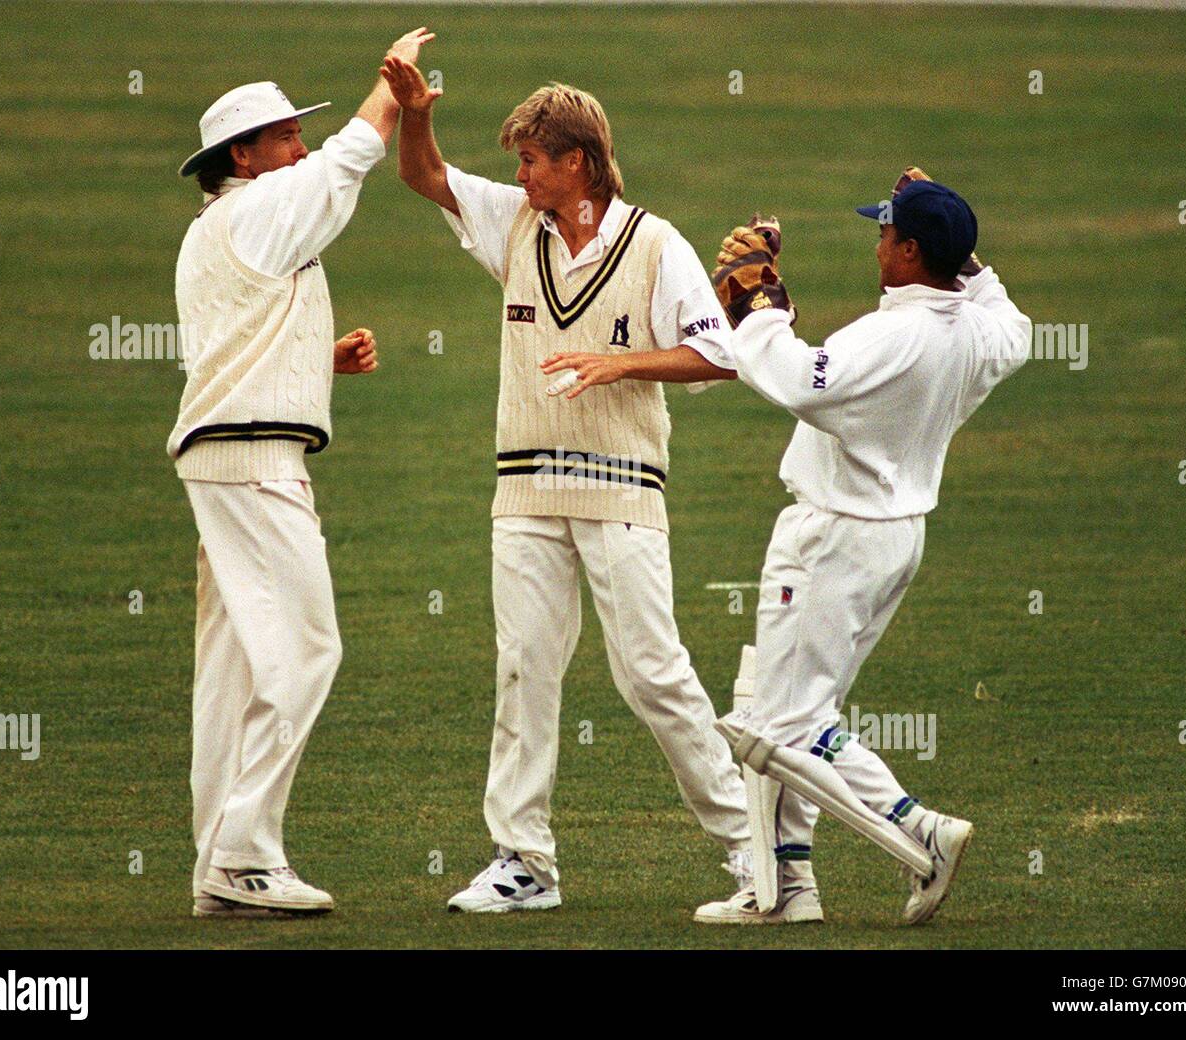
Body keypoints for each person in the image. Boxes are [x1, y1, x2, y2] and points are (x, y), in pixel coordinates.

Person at [380, 56, 756, 914]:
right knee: (524, 668)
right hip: (524, 491)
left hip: (622, 491)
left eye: (531, 160)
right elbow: (423, 173)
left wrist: (615, 364)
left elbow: (716, 358)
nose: (518, 175)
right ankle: (523, 861)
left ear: (578, 162)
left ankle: (750, 848)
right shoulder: (516, 223)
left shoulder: (658, 245)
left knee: (653, 674)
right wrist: (414, 114)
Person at [693, 172, 1032, 924]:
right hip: (896, 537)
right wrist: (962, 248)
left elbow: (793, 381)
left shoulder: (891, 335)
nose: (876, 242)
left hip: (833, 538)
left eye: (886, 233)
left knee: (779, 729)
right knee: (803, 714)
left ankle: (921, 831)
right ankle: (789, 889)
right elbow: (1015, 322)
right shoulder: (982, 332)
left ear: (911, 252)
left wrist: (756, 301)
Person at [169, 28, 435, 919]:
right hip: (252, 462)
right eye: (285, 134)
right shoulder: (258, 207)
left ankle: (222, 860)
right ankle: (244, 855)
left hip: (227, 451)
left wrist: (313, 362)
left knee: (240, 665)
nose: (300, 145)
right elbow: (346, 166)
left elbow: (227, 349)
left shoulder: (223, 226)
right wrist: (391, 91)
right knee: (306, 648)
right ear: (242, 156)